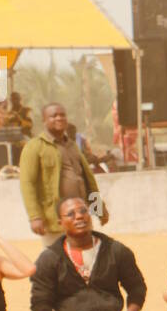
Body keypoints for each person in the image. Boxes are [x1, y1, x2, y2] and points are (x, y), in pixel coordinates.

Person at [30, 195, 150, 311]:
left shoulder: (116, 250)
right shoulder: (50, 258)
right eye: (70, 214)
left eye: (83, 211)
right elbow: (40, 304)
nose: (79, 216)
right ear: (60, 222)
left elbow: (137, 288)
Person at [19, 103, 108, 247]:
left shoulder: (72, 145)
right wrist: (34, 216)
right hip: (54, 219)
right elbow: (27, 183)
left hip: (80, 217)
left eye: (62, 115)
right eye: (53, 116)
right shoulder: (34, 147)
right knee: (56, 261)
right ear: (44, 120)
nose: (59, 118)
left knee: (86, 257)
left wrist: (99, 209)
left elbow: (88, 181)